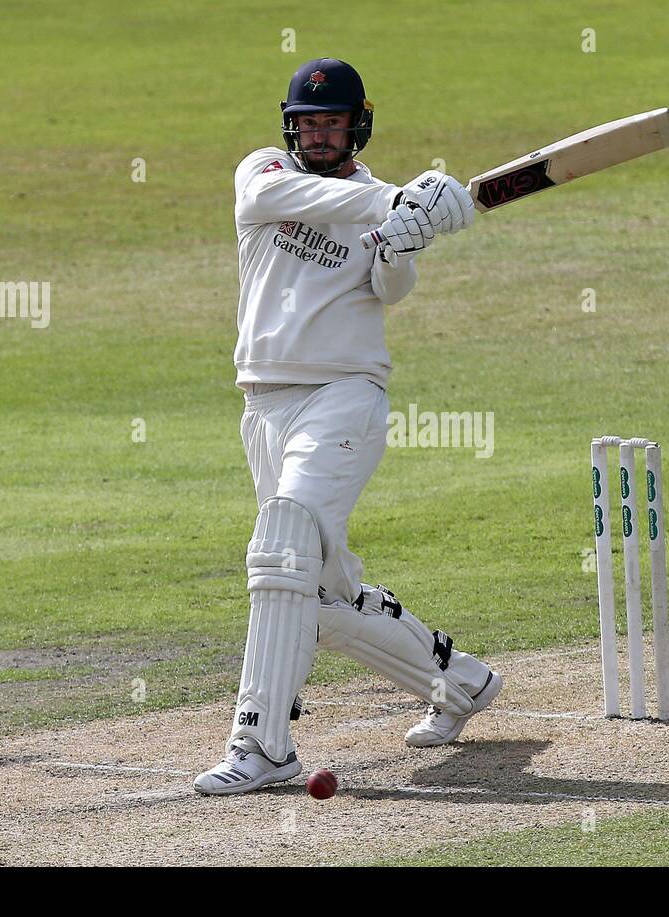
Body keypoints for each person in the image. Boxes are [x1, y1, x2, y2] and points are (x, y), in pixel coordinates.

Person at [194, 58, 502, 795]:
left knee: (281, 548)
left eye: (332, 123)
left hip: (343, 397)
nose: (319, 134)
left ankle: (263, 743)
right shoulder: (263, 172)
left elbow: (392, 286)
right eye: (308, 122)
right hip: (264, 404)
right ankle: (457, 684)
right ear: (289, 126)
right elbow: (286, 195)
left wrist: (402, 238)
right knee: (320, 597)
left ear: (356, 125)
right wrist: (398, 200)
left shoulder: (377, 202)